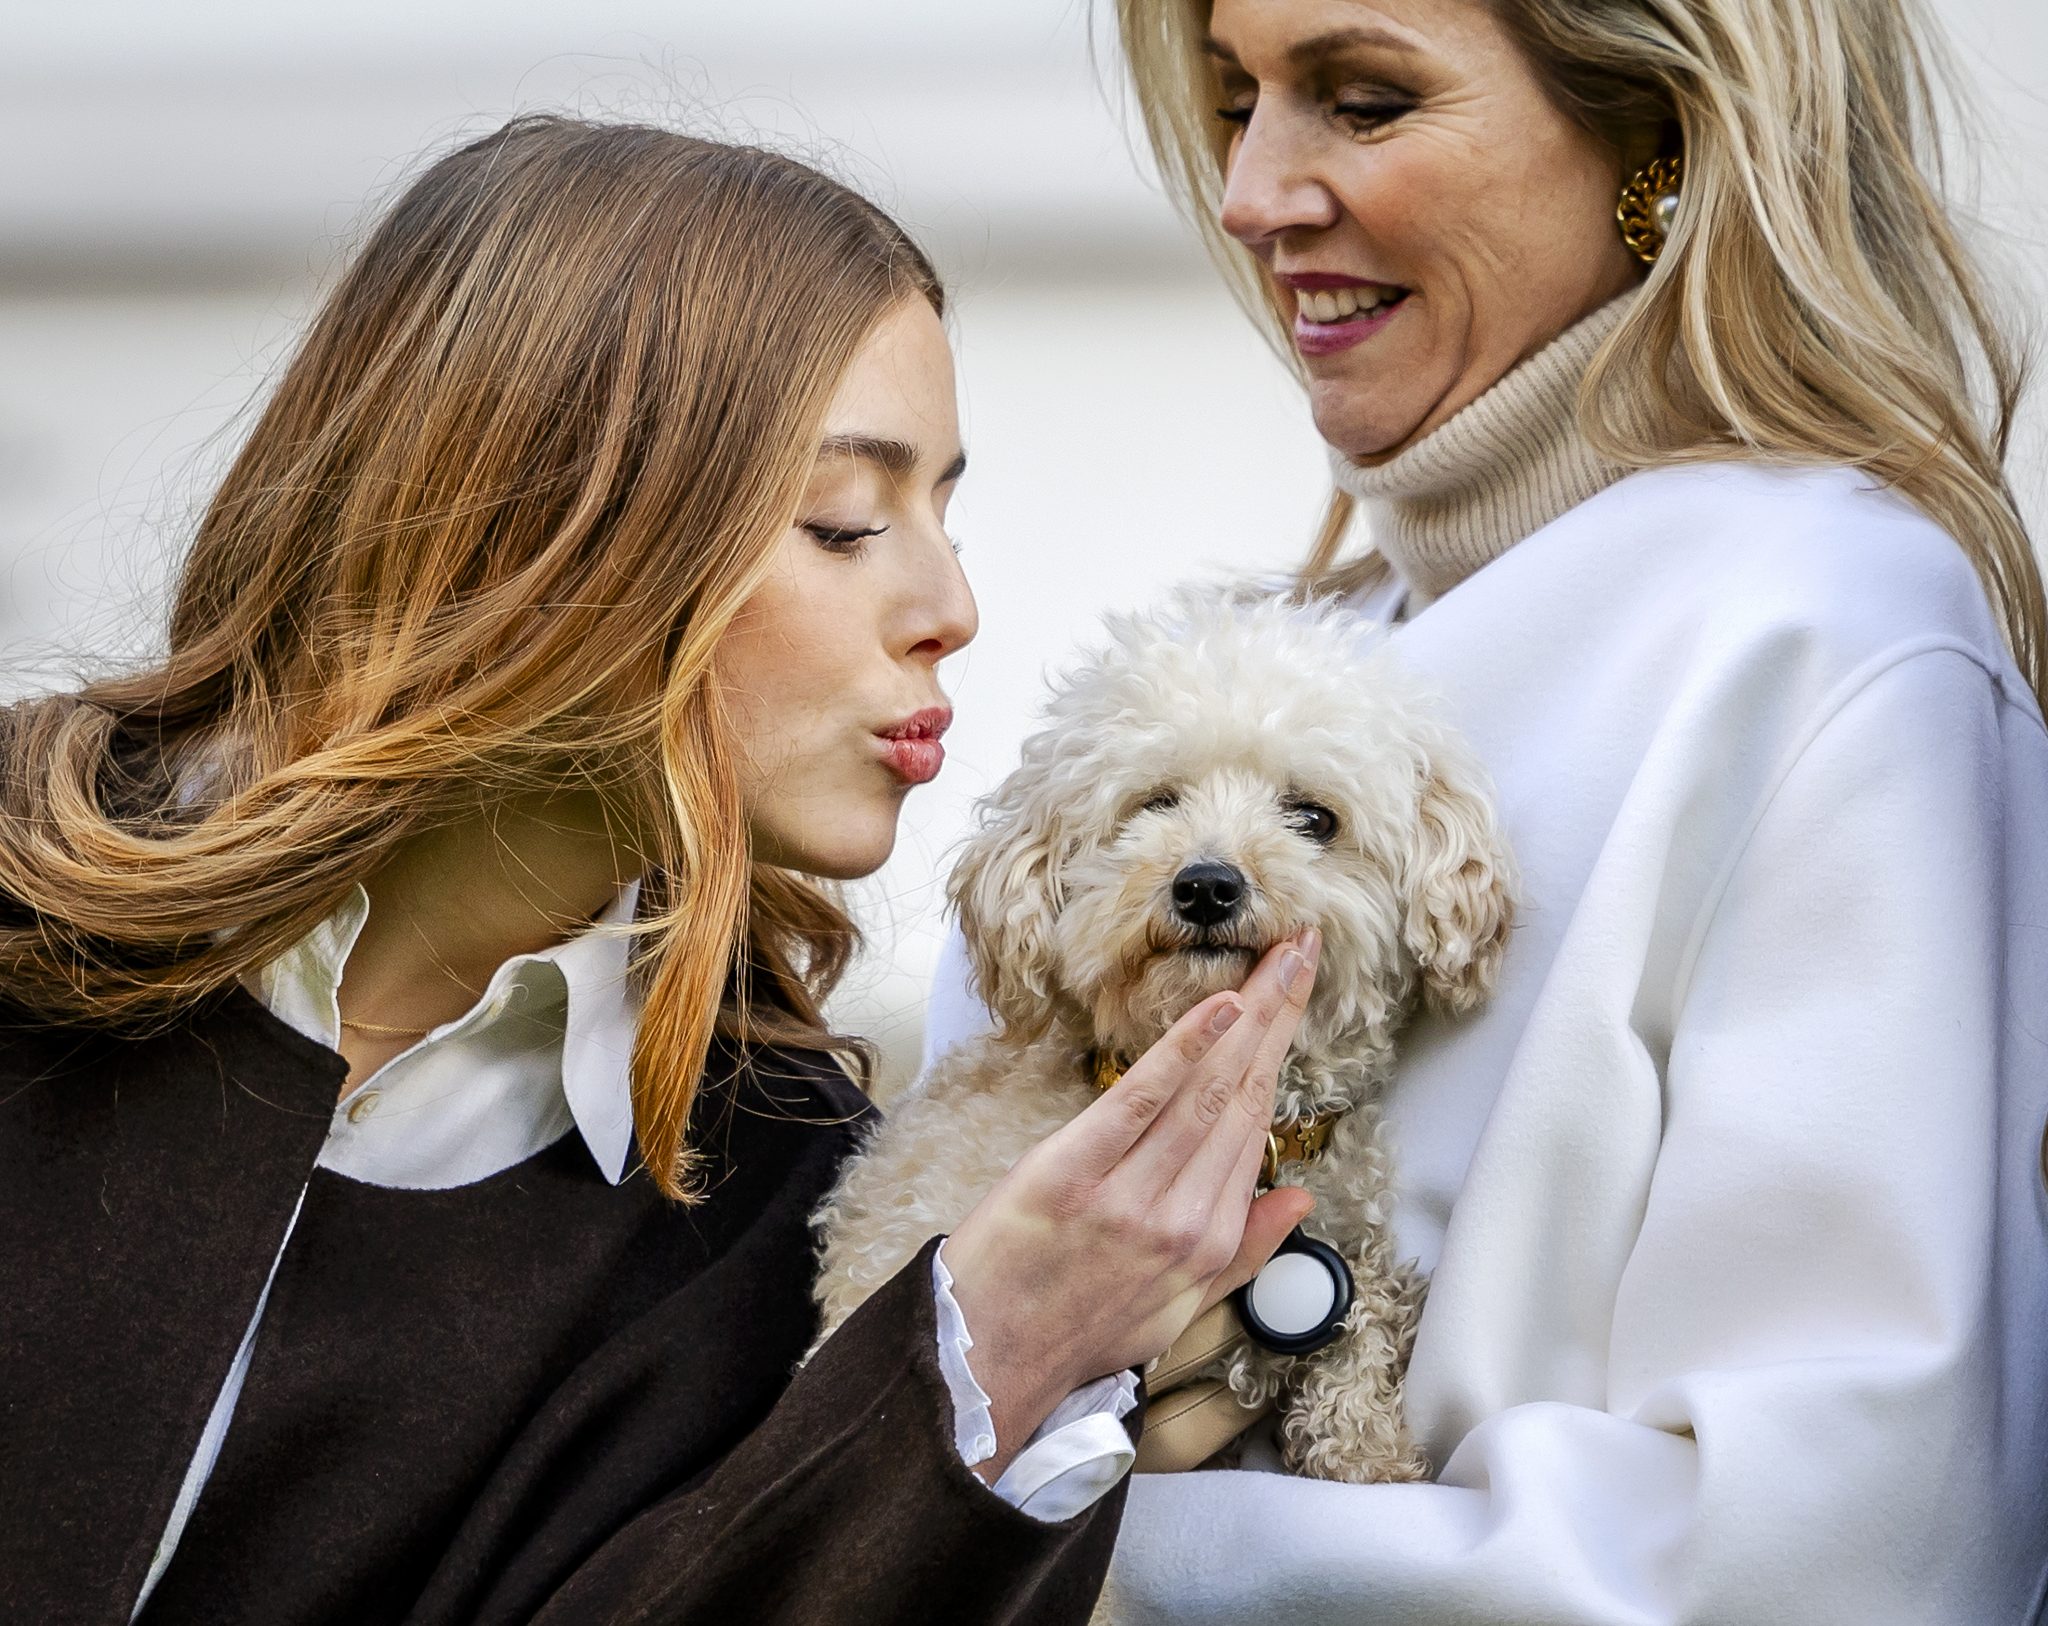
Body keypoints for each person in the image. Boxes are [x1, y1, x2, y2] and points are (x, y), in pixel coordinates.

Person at [0, 115, 1324, 1625]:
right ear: (552, 513)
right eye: (845, 521)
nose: (951, 603)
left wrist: (990, 1365)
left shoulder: (779, 1197)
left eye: (944, 511)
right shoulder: (21, 871)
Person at [922, 0, 2048, 1618]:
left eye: (1363, 99)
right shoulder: (1245, 674)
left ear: (1659, 127)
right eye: (1237, 100)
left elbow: (1827, 1552)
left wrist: (1025, 1551)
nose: (1250, 192)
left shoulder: (1828, 638)